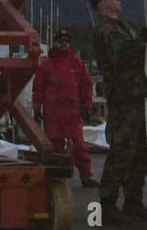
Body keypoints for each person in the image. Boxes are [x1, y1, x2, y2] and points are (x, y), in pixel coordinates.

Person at [89, 0, 147, 224]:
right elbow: (121, 56)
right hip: (123, 98)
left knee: (142, 151)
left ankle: (133, 200)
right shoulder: (105, 30)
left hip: (136, 93)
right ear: (101, 2)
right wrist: (142, 38)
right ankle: (107, 203)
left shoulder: (123, 27)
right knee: (121, 150)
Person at [32, 30, 99, 188]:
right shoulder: (46, 65)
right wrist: (36, 109)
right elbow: (38, 88)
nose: (64, 43)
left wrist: (87, 106)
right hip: (53, 115)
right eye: (60, 40)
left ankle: (86, 175)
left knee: (79, 147)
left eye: (67, 41)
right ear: (54, 43)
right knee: (55, 147)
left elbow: (86, 86)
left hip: (72, 113)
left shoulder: (77, 63)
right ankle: (57, 177)